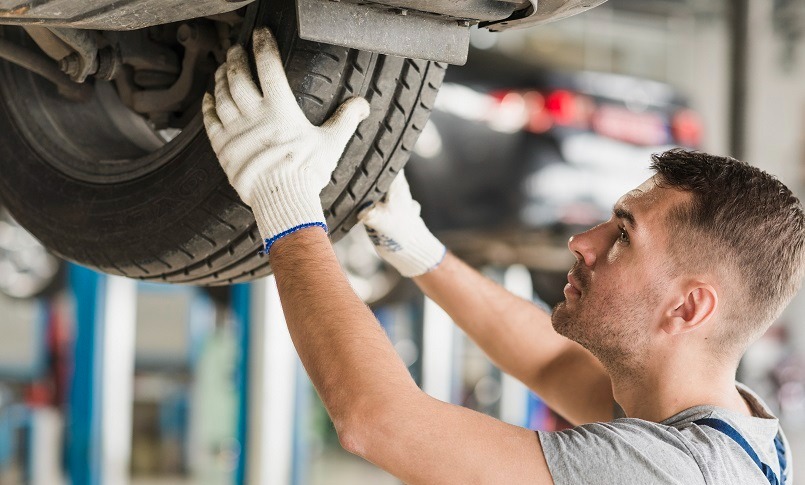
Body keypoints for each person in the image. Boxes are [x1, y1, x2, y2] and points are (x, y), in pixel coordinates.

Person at [202, 27, 802, 484]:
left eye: (622, 237)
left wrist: (282, 199)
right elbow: (552, 366)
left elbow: (378, 422)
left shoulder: (667, 474)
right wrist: (419, 252)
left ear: (690, 307)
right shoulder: (735, 431)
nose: (581, 242)